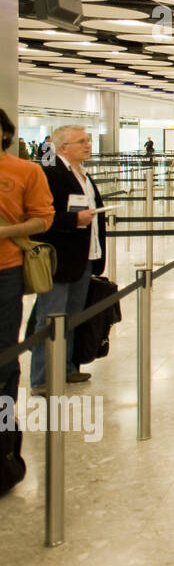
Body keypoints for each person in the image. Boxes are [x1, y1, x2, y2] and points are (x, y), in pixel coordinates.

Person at [29, 125, 107, 391]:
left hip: (84, 255)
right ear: (63, 147)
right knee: (50, 316)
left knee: (73, 314)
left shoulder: (82, 174)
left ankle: (66, 367)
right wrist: (74, 219)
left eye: (88, 140)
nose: (88, 145)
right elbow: (41, 216)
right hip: (59, 259)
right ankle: (42, 377)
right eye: (81, 142)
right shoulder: (51, 174)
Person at [0, 109, 54, 421]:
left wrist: (6, 232)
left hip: (6, 269)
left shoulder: (25, 171)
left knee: (5, 347)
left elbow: (43, 218)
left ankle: (4, 423)